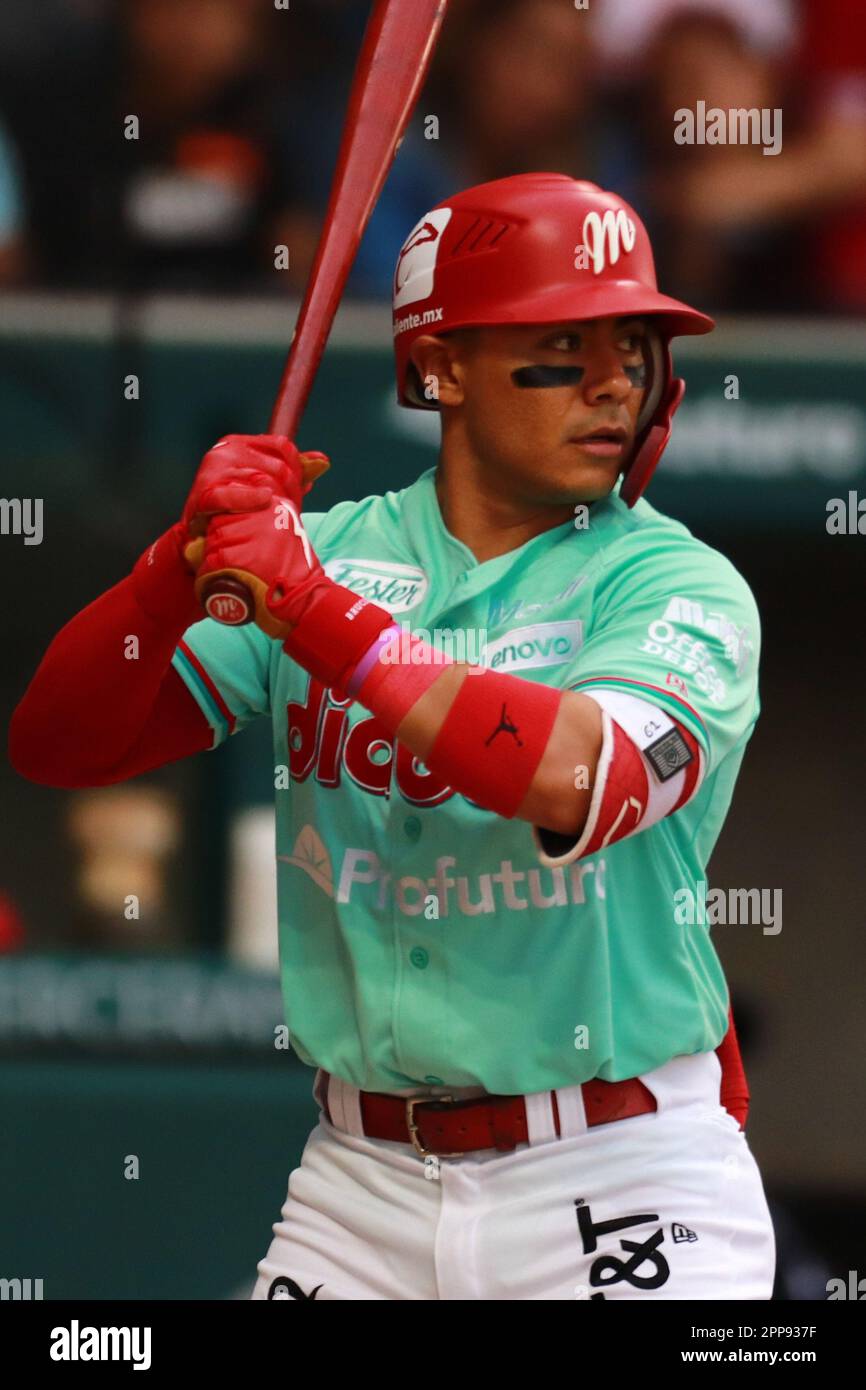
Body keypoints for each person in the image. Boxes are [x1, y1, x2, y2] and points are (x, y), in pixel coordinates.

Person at [10, 174, 775, 1300]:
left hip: (618, 1171)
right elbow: (60, 744)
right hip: (358, 1186)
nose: (613, 383)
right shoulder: (326, 553)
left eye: (632, 346)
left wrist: (312, 612)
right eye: (563, 343)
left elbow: (576, 775)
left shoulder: (675, 581)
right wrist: (166, 577)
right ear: (440, 368)